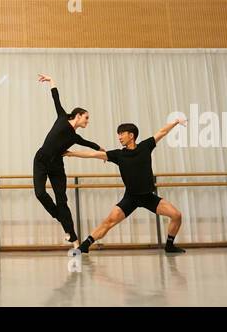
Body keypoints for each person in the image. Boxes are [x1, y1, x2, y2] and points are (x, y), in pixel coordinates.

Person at [65, 118, 187, 254]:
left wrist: (176, 121)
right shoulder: (119, 155)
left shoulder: (145, 147)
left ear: (131, 135)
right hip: (131, 198)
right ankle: (85, 246)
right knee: (109, 221)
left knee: (177, 215)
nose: (119, 137)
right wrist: (71, 154)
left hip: (148, 197)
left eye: (122, 133)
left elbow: (162, 132)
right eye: (118, 134)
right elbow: (93, 154)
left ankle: (169, 246)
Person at [32, 74, 99, 243]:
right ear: (78, 115)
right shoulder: (62, 117)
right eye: (86, 118)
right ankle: (60, 218)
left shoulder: (75, 137)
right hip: (41, 160)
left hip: (57, 166)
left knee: (62, 200)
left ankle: (73, 237)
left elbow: (90, 144)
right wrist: (51, 80)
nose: (87, 121)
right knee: (40, 193)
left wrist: (103, 151)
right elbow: (56, 97)